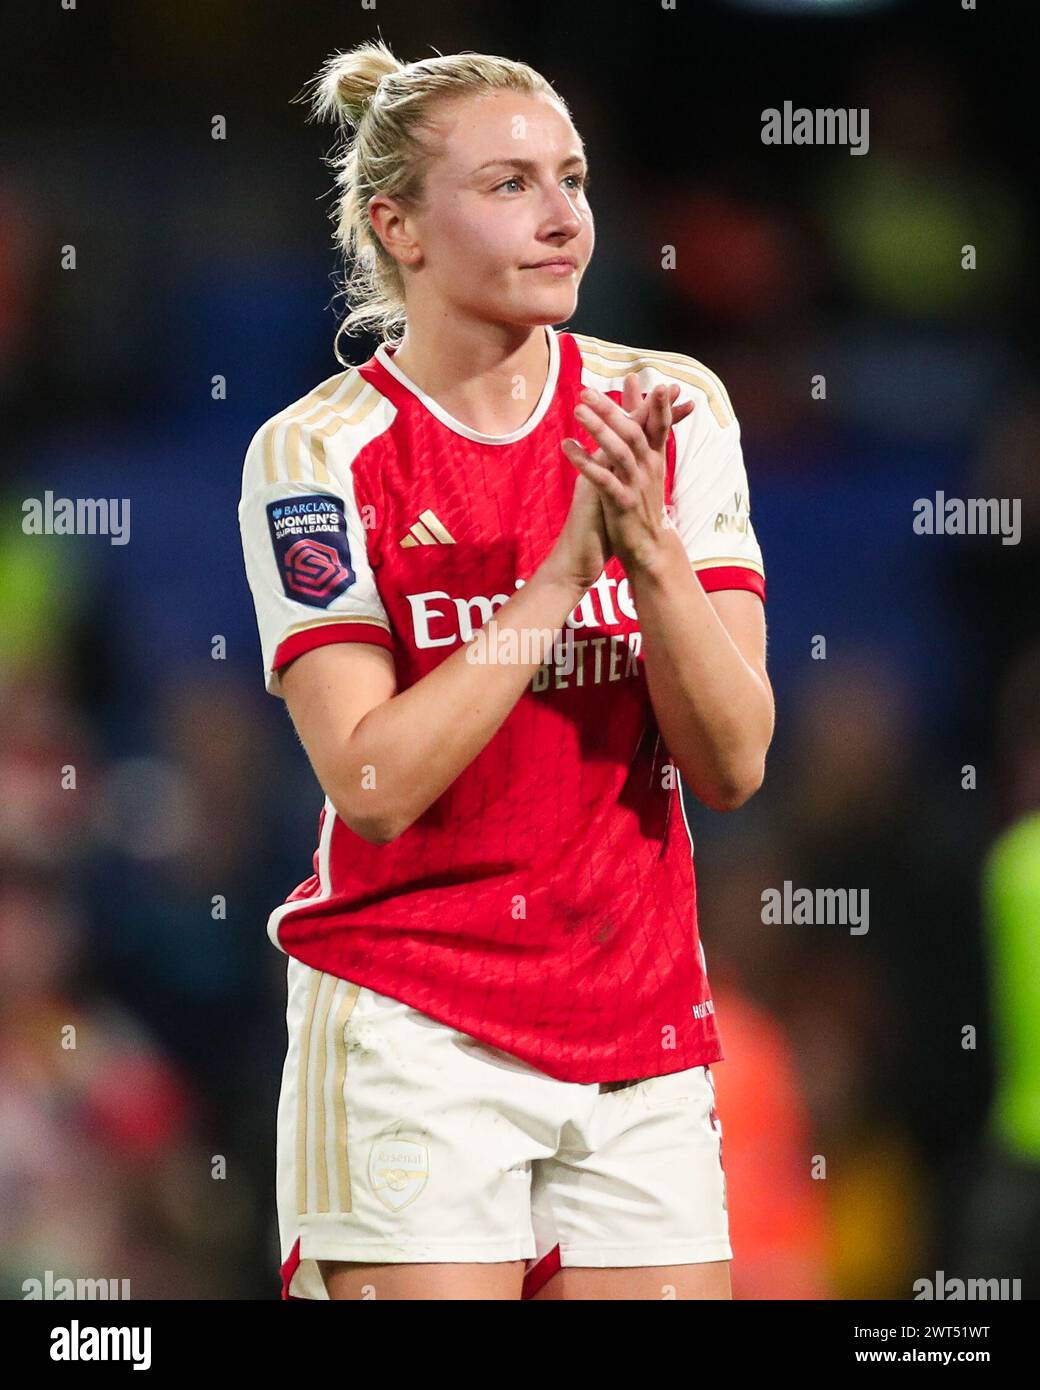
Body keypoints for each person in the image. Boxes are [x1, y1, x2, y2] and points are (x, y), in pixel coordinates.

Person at [238, 40, 773, 1301]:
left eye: (573, 178)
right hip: (413, 1028)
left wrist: (643, 549)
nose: (563, 217)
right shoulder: (317, 452)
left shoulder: (666, 406)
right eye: (509, 184)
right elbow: (370, 781)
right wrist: (549, 583)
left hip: (637, 1029)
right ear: (399, 228)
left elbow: (736, 761)